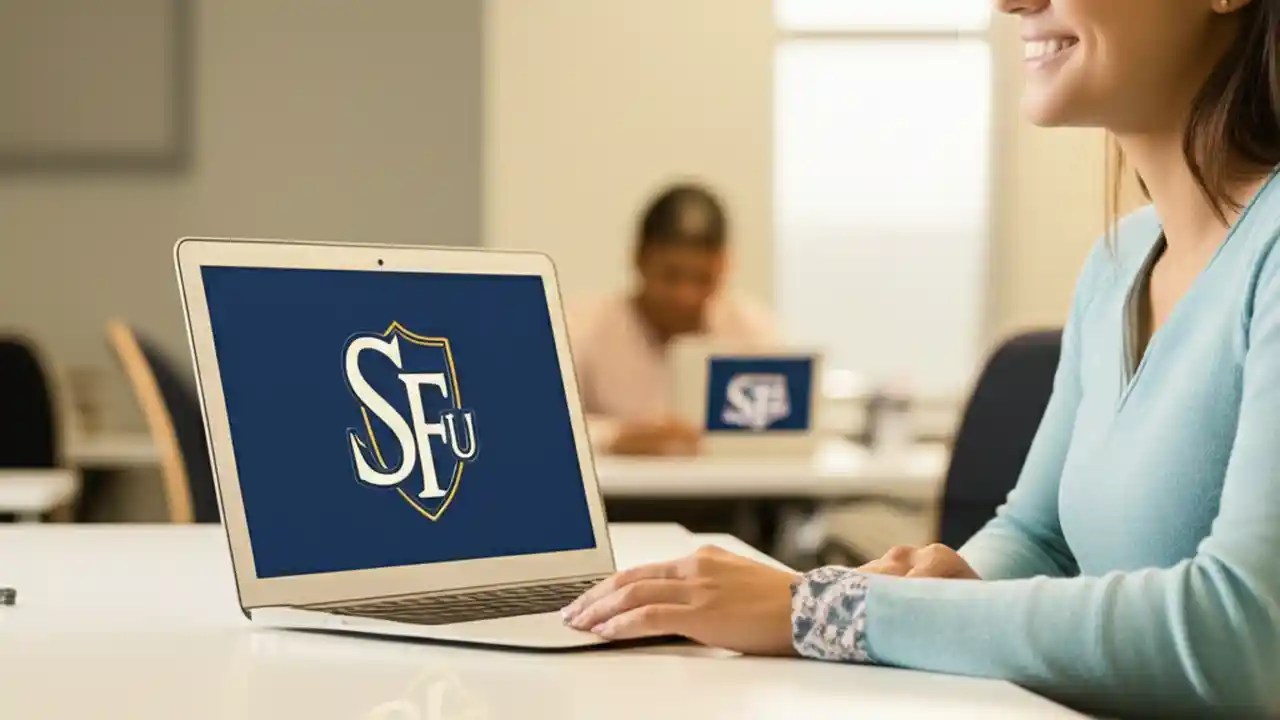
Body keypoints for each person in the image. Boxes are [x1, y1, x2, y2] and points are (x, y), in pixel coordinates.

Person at [562, 1, 1280, 716]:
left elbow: (1242, 639)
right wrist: (932, 579)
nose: (1011, 3)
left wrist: (829, 613)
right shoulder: (1116, 261)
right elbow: (1039, 539)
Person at [572, 183, 776, 456]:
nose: (686, 296)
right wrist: (617, 437)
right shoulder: (583, 328)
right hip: (618, 496)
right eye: (671, 276)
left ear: (725, 265)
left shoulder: (752, 332)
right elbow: (546, 423)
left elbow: (778, 430)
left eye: (703, 279)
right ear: (639, 259)